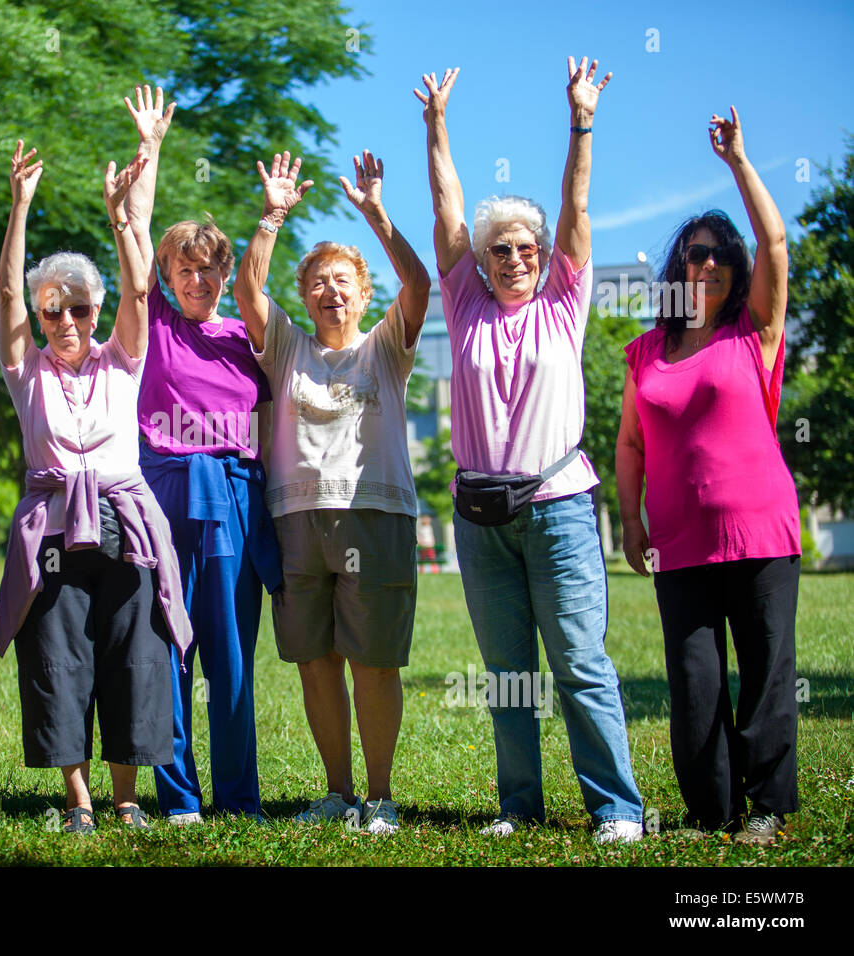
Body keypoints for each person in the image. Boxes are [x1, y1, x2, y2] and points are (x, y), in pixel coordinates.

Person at [419, 60, 644, 843]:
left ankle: (616, 809)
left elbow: (577, 202)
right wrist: (436, 124)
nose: (514, 258)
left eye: (526, 247)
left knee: (580, 664)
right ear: (480, 261)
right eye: (500, 250)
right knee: (512, 676)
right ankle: (519, 805)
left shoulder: (564, 301)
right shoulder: (465, 301)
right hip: (482, 518)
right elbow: (448, 208)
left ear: (544, 255)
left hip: (558, 510)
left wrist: (581, 119)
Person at [0, 139, 193, 833]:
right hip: (52, 528)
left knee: (134, 652)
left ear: (96, 309)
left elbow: (142, 289)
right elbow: (4, 292)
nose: (67, 322)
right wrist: (18, 207)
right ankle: (78, 799)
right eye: (53, 311)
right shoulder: (27, 373)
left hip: (125, 520)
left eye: (79, 309)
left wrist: (120, 220)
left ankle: (127, 798)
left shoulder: (123, 360)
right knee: (58, 653)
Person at [232, 148, 429, 835]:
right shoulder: (287, 347)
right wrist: (272, 215)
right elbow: (248, 295)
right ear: (306, 293)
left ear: (364, 292)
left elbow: (421, 283)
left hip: (373, 517)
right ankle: (338, 792)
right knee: (315, 661)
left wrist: (375, 213)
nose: (330, 292)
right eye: (317, 282)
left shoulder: (385, 348)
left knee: (373, 661)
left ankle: (380, 796)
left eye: (342, 281)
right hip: (294, 521)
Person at [616, 108, 799, 846]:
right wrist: (631, 521)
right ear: (679, 267)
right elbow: (630, 444)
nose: (710, 262)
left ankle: (768, 809)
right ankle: (708, 813)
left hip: (760, 532)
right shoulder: (645, 351)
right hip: (681, 544)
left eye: (722, 251)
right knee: (695, 685)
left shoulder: (755, 330)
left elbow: (777, 241)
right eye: (696, 253)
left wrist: (738, 164)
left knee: (764, 674)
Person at [120, 86, 283, 823]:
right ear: (169, 275)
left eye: (208, 269)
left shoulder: (246, 334)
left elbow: (255, 284)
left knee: (232, 655)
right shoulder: (153, 319)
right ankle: (178, 797)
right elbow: (140, 225)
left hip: (236, 493)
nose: (196, 279)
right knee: (169, 646)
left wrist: (270, 218)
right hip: (164, 491)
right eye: (184, 269)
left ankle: (240, 797)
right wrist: (149, 148)